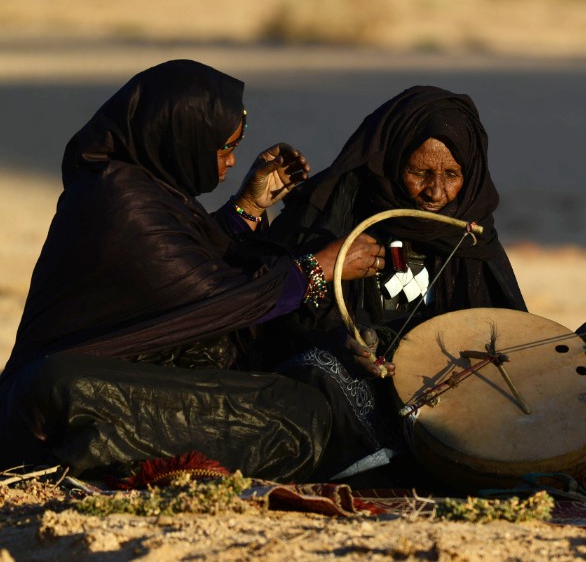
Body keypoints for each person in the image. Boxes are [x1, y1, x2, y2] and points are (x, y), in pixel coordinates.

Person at [0, 60, 384, 482]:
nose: (232, 161)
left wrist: (248, 208)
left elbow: (184, 267)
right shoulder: (121, 205)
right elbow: (217, 299)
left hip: (82, 389)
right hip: (61, 401)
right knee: (299, 414)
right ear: (180, 138)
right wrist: (318, 269)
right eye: (223, 148)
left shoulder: (139, 190)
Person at [265, 85, 586, 482]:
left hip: (443, 408)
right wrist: (342, 339)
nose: (436, 192)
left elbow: (503, 345)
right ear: (391, 162)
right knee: (321, 377)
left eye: (452, 175)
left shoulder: (471, 234)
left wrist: (571, 351)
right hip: (355, 400)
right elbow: (273, 318)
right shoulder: (329, 218)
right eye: (420, 173)